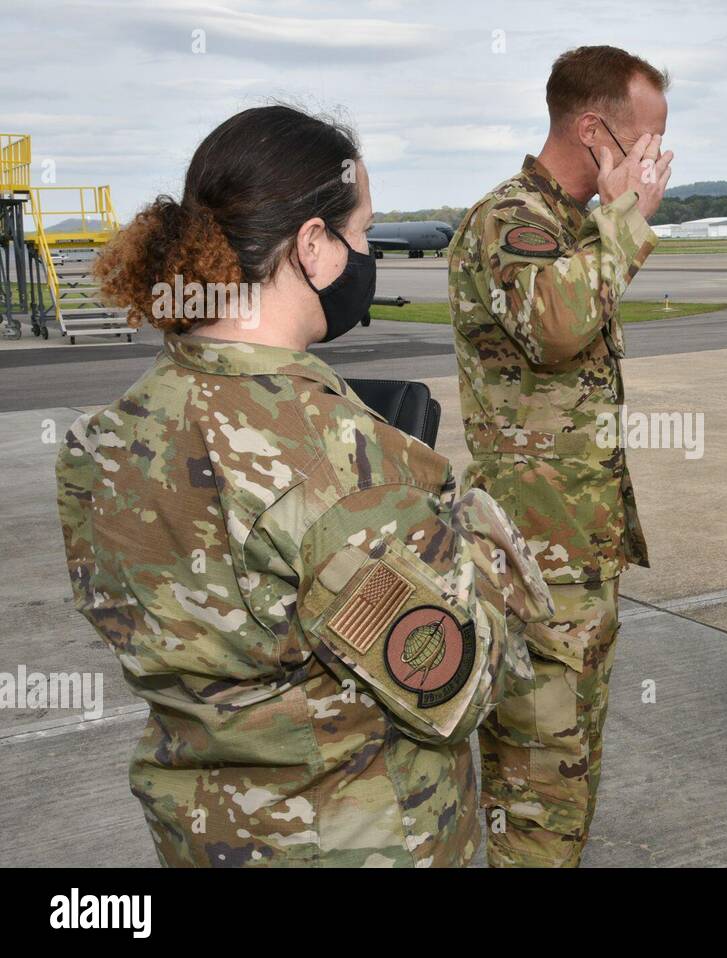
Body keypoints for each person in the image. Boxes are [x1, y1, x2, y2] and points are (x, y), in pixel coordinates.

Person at [55, 104, 552, 867]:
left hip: (200, 836)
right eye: (362, 233)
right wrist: (464, 527)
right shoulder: (340, 463)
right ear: (314, 247)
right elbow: (461, 683)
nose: (366, 253)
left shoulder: (107, 436)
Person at [447, 45, 673, 867]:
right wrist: (627, 220)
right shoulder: (510, 223)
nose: (657, 165)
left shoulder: (570, 229)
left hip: (578, 554)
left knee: (566, 772)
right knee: (538, 784)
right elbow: (556, 326)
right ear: (594, 133)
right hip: (536, 566)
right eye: (647, 144)